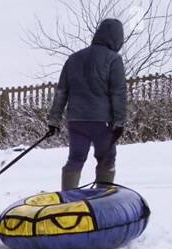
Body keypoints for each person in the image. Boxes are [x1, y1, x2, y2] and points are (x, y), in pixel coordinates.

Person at [46, 18, 128, 190]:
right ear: (116, 38)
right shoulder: (114, 59)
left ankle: (67, 200)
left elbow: (61, 92)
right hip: (102, 122)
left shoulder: (73, 58)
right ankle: (102, 198)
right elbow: (118, 93)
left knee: (75, 159)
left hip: (76, 121)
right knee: (106, 159)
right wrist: (119, 121)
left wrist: (54, 121)